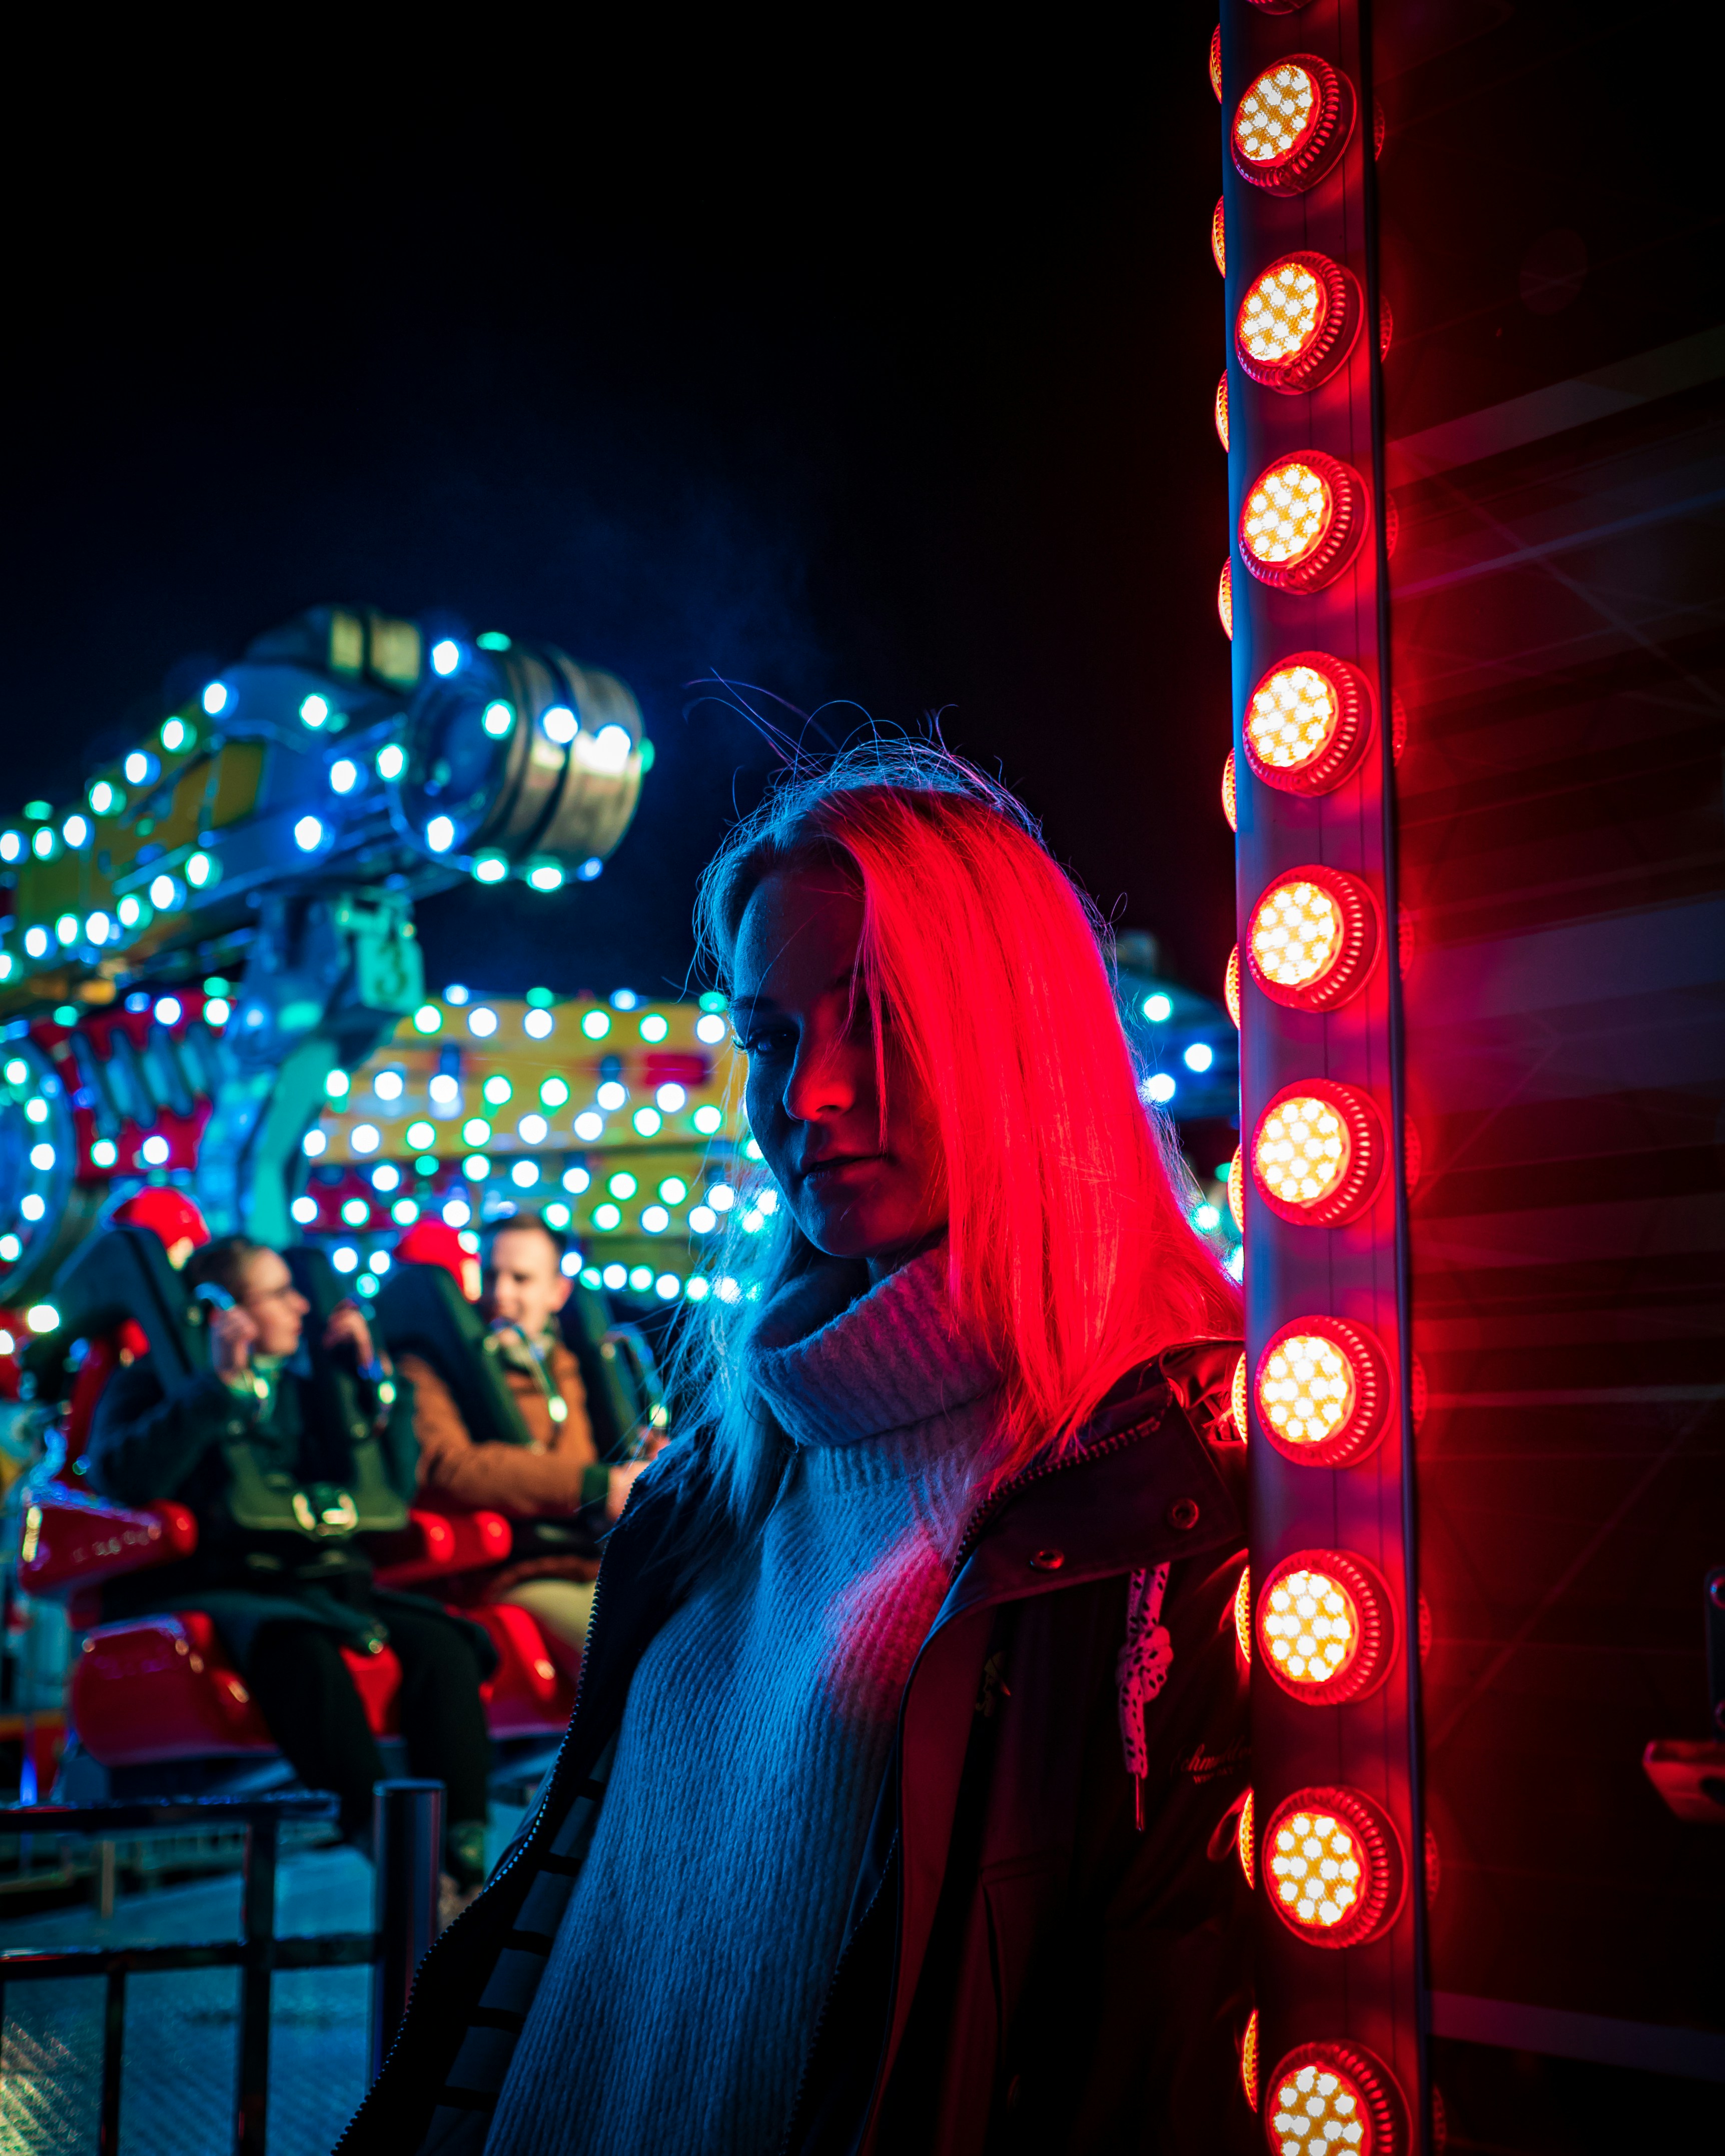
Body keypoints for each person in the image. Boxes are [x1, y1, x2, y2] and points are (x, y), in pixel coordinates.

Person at [338, 746, 1251, 2156]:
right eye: (769, 1037)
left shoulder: (1155, 1482)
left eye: (874, 1017)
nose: (807, 1092)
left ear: (1023, 1040)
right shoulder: (727, 1471)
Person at [86, 1233, 496, 1898]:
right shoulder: (150, 1381)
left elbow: (393, 1487)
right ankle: (387, 1847)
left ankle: (466, 1852)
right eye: (279, 1294)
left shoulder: (309, 1388)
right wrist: (215, 1388)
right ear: (224, 1309)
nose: (303, 1306)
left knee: (444, 1644)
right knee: (296, 1648)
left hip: (320, 1581)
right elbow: (124, 1476)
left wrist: (371, 1381)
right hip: (229, 1585)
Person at [395, 1215, 653, 1669]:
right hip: (517, 1569)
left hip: (600, 1563)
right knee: (635, 1660)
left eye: (521, 1279)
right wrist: (597, 1485)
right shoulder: (432, 1364)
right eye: (491, 1276)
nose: (501, 1295)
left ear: (558, 1291)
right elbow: (450, 1466)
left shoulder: (585, 1364)